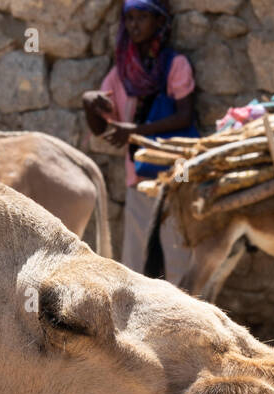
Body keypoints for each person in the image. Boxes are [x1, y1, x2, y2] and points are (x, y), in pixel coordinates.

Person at [81, 0, 197, 282]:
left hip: (177, 175)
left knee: (178, 254)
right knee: (135, 259)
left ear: (159, 22)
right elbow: (102, 129)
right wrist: (88, 104)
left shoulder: (175, 65)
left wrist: (134, 131)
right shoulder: (122, 73)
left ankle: (184, 322)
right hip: (140, 177)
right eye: (130, 18)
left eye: (142, 17)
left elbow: (184, 116)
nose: (134, 25)